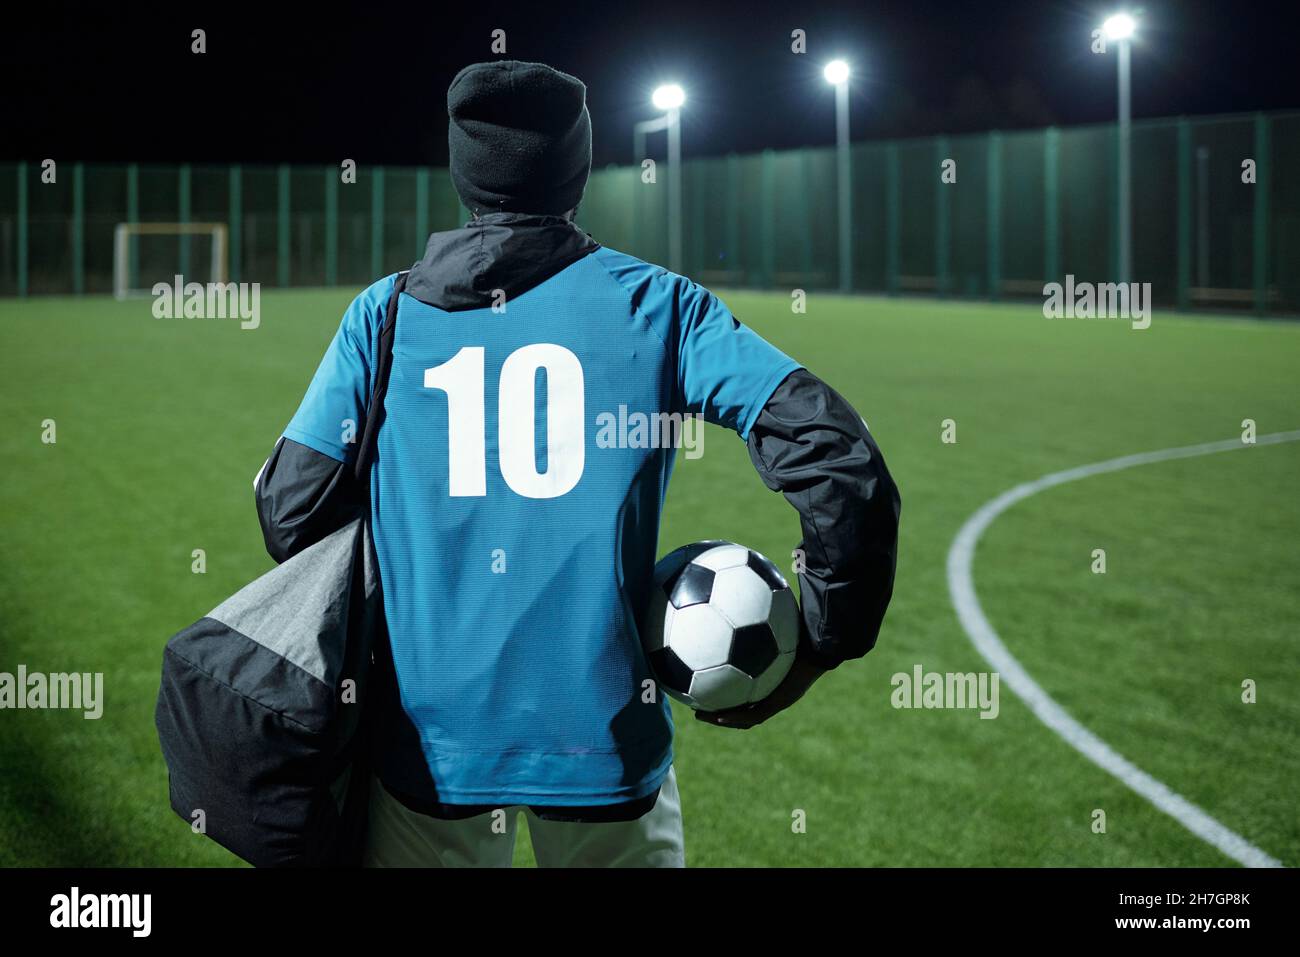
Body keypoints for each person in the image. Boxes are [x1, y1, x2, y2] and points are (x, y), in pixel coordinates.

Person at [254, 60, 900, 868]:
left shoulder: (382, 316)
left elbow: (289, 513)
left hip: (426, 740)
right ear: (578, 167)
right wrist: (822, 640)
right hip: (605, 740)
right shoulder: (660, 304)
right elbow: (833, 448)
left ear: (463, 171)